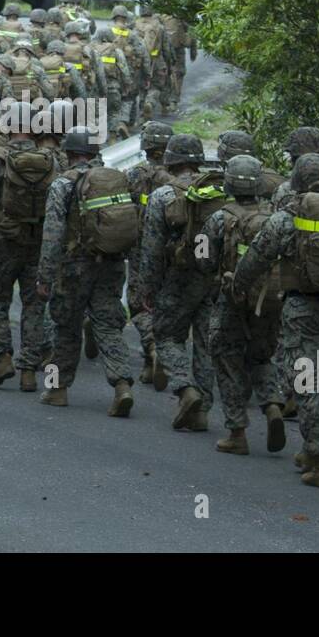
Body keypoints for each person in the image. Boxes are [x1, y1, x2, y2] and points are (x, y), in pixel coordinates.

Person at [234, 153, 319, 485]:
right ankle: (311, 447)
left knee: (307, 383)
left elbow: (256, 259)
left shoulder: (288, 218)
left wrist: (239, 286)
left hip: (302, 311)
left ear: (296, 182)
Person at [36, 127, 137, 416]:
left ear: (69, 153)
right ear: (96, 153)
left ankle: (56, 389)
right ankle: (122, 386)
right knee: (107, 324)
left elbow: (53, 234)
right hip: (111, 263)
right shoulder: (118, 179)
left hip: (73, 268)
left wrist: (44, 276)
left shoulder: (63, 184)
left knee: (64, 329)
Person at [0, 102, 59, 390]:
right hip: (37, 244)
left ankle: (3, 356)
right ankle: (29, 370)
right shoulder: (52, 161)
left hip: (3, 243)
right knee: (34, 305)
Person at [138, 133, 224, 431]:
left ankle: (185, 389)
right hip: (212, 277)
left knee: (165, 335)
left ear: (171, 160)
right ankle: (202, 410)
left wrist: (146, 288)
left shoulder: (163, 195)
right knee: (205, 342)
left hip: (176, 278)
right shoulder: (219, 192)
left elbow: (150, 248)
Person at [198, 155, 283, 455]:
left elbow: (204, 259)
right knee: (261, 358)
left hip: (231, 299)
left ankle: (237, 432)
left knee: (226, 358)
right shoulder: (275, 216)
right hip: (270, 300)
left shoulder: (220, 218)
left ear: (229, 183)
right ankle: (272, 405)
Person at [125, 121, 174, 385]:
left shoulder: (135, 175)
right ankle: (153, 360)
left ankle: (151, 346)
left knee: (139, 303)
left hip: (140, 250)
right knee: (166, 303)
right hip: (172, 251)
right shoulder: (179, 178)